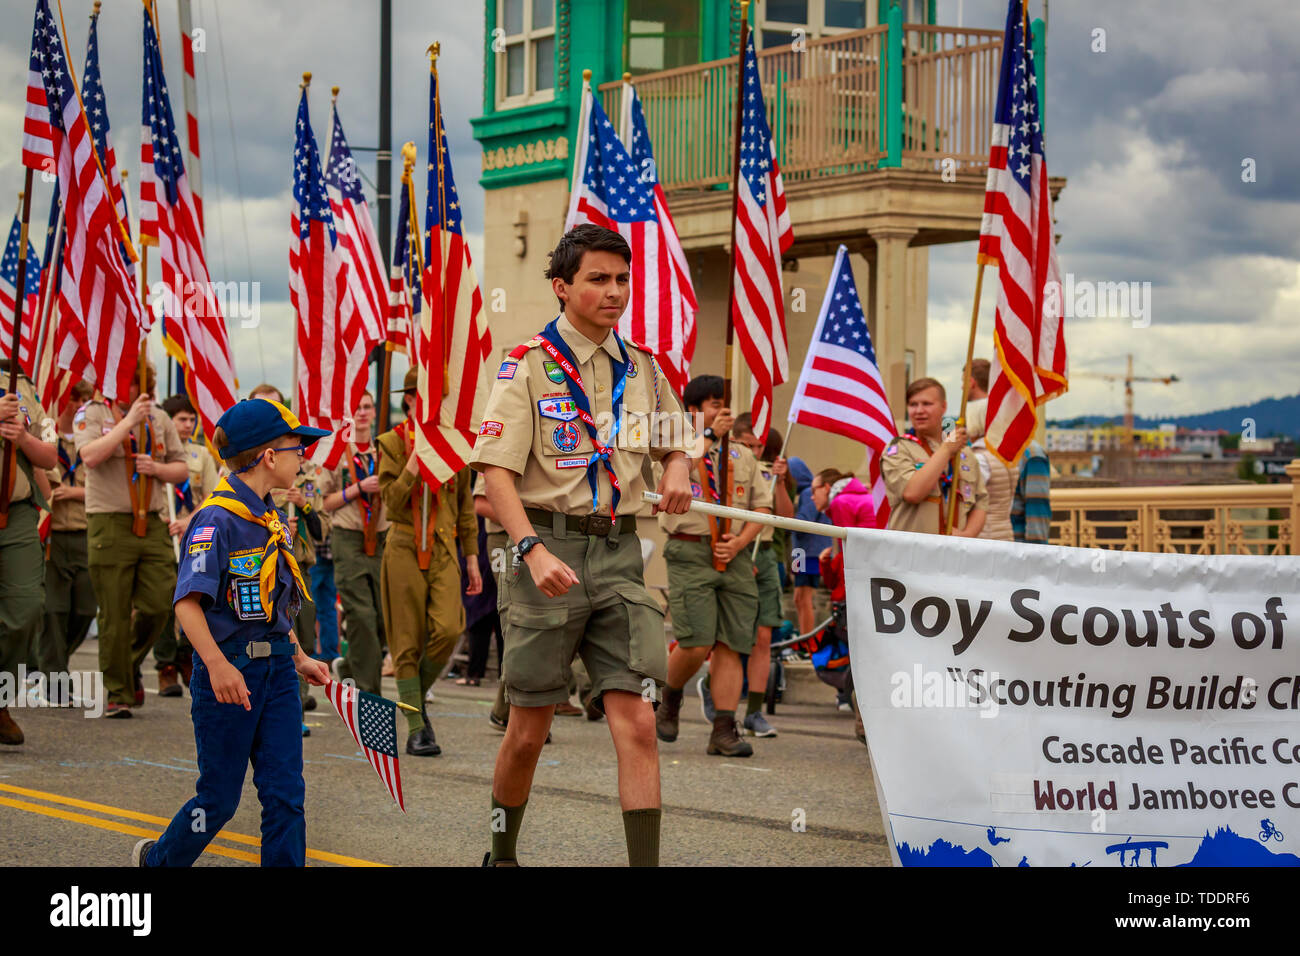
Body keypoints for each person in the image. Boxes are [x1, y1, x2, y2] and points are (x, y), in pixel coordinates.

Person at [470, 224, 694, 866]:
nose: (614, 291)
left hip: (622, 557)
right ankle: (502, 854)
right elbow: (495, 473)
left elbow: (677, 438)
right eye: (598, 278)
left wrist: (677, 465)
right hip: (549, 554)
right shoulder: (528, 365)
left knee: (639, 721)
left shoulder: (644, 367)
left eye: (622, 279)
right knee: (528, 729)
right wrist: (532, 551)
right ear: (562, 286)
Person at [132, 396, 332, 867]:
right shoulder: (216, 520)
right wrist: (217, 666)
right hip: (230, 673)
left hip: (279, 672)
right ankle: (159, 861)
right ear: (268, 456)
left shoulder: (272, 517)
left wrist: (299, 654)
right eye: (296, 447)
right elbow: (187, 603)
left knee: (285, 795)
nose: (302, 456)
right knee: (218, 800)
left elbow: (276, 602)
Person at [655, 374, 773, 757]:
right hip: (690, 551)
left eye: (725, 404)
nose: (722, 412)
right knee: (697, 640)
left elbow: (762, 507)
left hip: (733, 553)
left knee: (731, 643)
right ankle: (670, 695)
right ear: (692, 410)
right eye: (712, 405)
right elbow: (676, 476)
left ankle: (724, 728)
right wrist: (706, 437)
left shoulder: (743, 454)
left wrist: (740, 541)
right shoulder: (675, 449)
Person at [376, 368, 480, 756]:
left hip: (444, 547)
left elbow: (465, 506)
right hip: (403, 544)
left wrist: (471, 557)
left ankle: (413, 697)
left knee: (449, 628)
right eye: (423, 398)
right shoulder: (391, 442)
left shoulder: (456, 447)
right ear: (408, 401)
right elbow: (390, 501)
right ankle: (417, 725)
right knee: (405, 643)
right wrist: (412, 467)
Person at [75, 361, 188, 717]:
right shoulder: (92, 412)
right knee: (114, 611)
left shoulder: (158, 417)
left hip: (151, 520)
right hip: (109, 520)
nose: (137, 390)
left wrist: (156, 469)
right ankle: (119, 692)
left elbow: (181, 467)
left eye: (141, 384)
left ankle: (126, 664)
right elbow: (89, 456)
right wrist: (126, 423)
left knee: (161, 601)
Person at [246, 384, 328, 732]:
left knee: (300, 637)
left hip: (299, 569)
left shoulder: (305, 478)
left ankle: (294, 713)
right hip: (259, 573)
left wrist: (304, 505)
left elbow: (323, 531)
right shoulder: (247, 484)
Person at [708, 412, 792, 738]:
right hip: (732, 552)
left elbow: (786, 516)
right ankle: (719, 701)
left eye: (758, 447)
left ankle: (755, 711)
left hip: (765, 553)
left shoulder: (770, 469)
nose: (754, 452)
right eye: (747, 444)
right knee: (724, 639)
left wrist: (781, 483)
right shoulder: (723, 464)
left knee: (763, 636)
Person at [0, 360, 57, 744]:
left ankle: (0, 700)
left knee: (26, 608)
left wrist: (20, 437)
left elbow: (49, 457)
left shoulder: (18, 387)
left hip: (16, 512)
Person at [153, 394, 221, 697]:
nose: (188, 424)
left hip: (192, 534)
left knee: (193, 596)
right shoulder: (157, 454)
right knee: (164, 597)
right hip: (161, 531)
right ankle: (165, 664)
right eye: (181, 419)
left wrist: (188, 522)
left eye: (191, 419)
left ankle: (185, 655)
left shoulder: (200, 455)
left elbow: (211, 495)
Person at [319, 392, 387, 694]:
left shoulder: (384, 451)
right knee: (360, 615)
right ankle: (370, 693)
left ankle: (348, 666)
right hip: (348, 537)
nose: (362, 412)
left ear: (374, 413)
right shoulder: (339, 453)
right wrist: (357, 488)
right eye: (357, 408)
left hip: (382, 537)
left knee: (383, 619)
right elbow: (325, 502)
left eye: (367, 407)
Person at [39, 380, 98, 689]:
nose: (78, 404)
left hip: (87, 531)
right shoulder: (48, 434)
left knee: (86, 609)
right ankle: (54, 678)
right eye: (73, 398)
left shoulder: (91, 438)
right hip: (53, 533)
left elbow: (105, 487)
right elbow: (46, 479)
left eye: (84, 399)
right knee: (53, 609)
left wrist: (76, 492)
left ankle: (50, 661)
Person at [880, 378, 987, 537]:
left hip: (955, 553)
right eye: (913, 404)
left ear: (943, 406)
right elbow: (912, 493)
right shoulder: (899, 449)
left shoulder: (964, 454)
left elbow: (981, 502)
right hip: (912, 553)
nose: (919, 411)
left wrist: (967, 535)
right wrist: (946, 450)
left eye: (927, 404)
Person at [962, 359, 1018, 542]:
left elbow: (967, 500)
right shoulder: (1006, 455)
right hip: (1005, 535)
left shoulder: (980, 459)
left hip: (985, 537)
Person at [789, 457, 833, 638]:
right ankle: (804, 637)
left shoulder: (809, 492)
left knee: (804, 598)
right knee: (799, 598)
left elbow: (804, 522)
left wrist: (789, 520)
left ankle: (806, 640)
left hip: (809, 553)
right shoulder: (808, 492)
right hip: (803, 553)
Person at [1011, 441, 1052, 544]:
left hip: (1014, 545)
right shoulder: (1032, 454)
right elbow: (1037, 508)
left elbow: (1036, 509)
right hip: (1011, 544)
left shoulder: (1032, 455)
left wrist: (1036, 551)